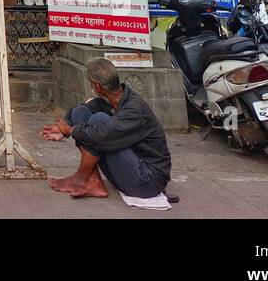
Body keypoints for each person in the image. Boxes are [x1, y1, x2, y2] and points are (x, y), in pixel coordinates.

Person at [41, 57, 172, 203]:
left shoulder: (134, 108)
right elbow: (83, 109)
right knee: (81, 112)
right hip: (131, 168)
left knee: (99, 120)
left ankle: (80, 178)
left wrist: (71, 130)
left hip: (147, 180)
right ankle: (94, 182)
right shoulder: (112, 98)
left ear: (97, 86)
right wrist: (64, 125)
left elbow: (103, 134)